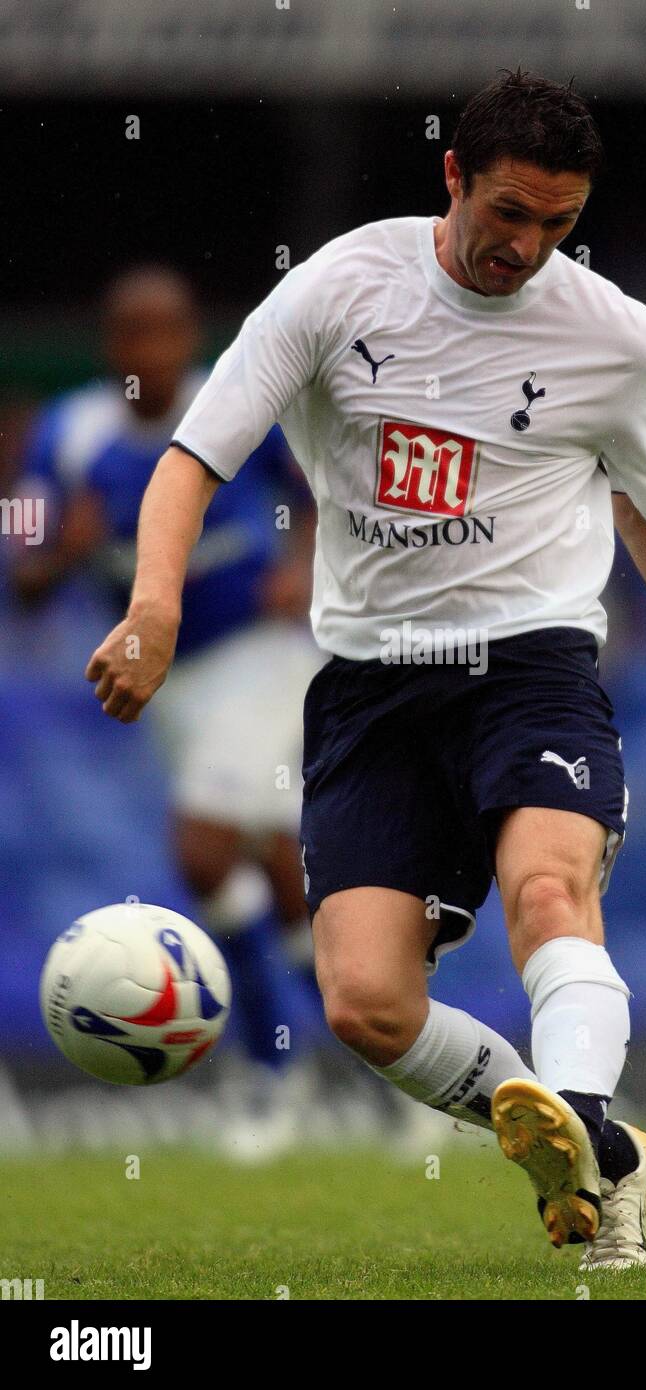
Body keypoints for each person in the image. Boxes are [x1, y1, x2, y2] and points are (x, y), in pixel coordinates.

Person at [85, 72, 646, 1266]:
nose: (528, 246)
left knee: (548, 894)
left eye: (557, 224)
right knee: (363, 1002)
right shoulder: (334, 289)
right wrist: (153, 609)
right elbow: (193, 458)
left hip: (533, 663)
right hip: (370, 683)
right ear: (451, 177)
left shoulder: (612, 338)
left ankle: (593, 1142)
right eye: (509, 212)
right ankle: (596, 1151)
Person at [15, 266, 328, 1159]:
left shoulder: (235, 403)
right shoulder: (69, 434)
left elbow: (320, 495)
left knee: (199, 851)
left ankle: (271, 1068)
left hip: (262, 653)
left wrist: (304, 566)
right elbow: (25, 576)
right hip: (167, 681)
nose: (149, 352)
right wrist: (63, 553)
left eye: (166, 332)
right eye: (131, 335)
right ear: (112, 346)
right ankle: (370, 1054)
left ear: (189, 338)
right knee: (279, 878)